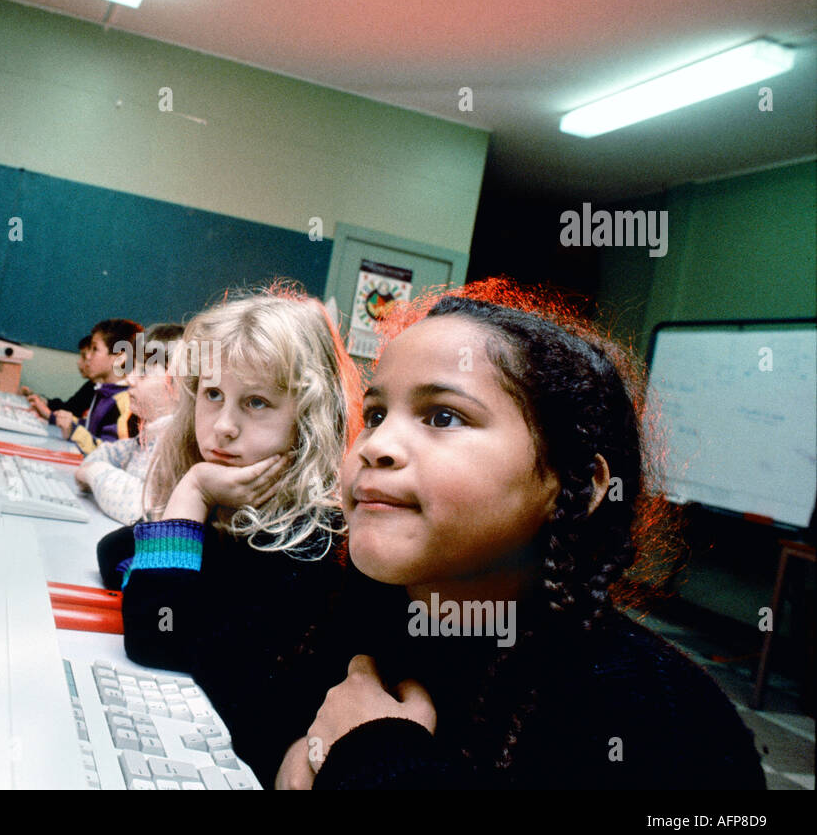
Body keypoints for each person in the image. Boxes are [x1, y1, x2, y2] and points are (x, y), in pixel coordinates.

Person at [273, 287, 765, 790]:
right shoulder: (337, 609)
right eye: (374, 415)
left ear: (575, 483)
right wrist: (293, 754)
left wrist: (375, 752)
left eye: (443, 416)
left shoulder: (662, 720)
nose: (376, 446)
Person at [117, 287, 361, 780]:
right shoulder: (235, 508)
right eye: (212, 395)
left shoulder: (309, 540)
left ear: (308, 418)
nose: (224, 426)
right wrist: (195, 500)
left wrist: (194, 489)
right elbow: (113, 554)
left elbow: (153, 636)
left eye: (256, 402)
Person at [74, 323, 184, 527]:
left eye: (143, 373)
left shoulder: (178, 446)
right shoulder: (147, 436)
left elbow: (143, 507)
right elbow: (106, 453)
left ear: (177, 387)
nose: (130, 379)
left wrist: (93, 472)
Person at [50, 319, 142, 455]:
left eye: (95, 349)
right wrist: (57, 419)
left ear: (119, 358)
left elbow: (111, 454)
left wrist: (74, 431)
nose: (87, 356)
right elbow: (92, 429)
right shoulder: (104, 391)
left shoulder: (126, 401)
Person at [23, 335, 95, 420]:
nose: (78, 362)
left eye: (84, 357)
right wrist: (43, 401)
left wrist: (50, 415)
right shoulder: (92, 385)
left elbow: (87, 429)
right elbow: (70, 409)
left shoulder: (109, 397)